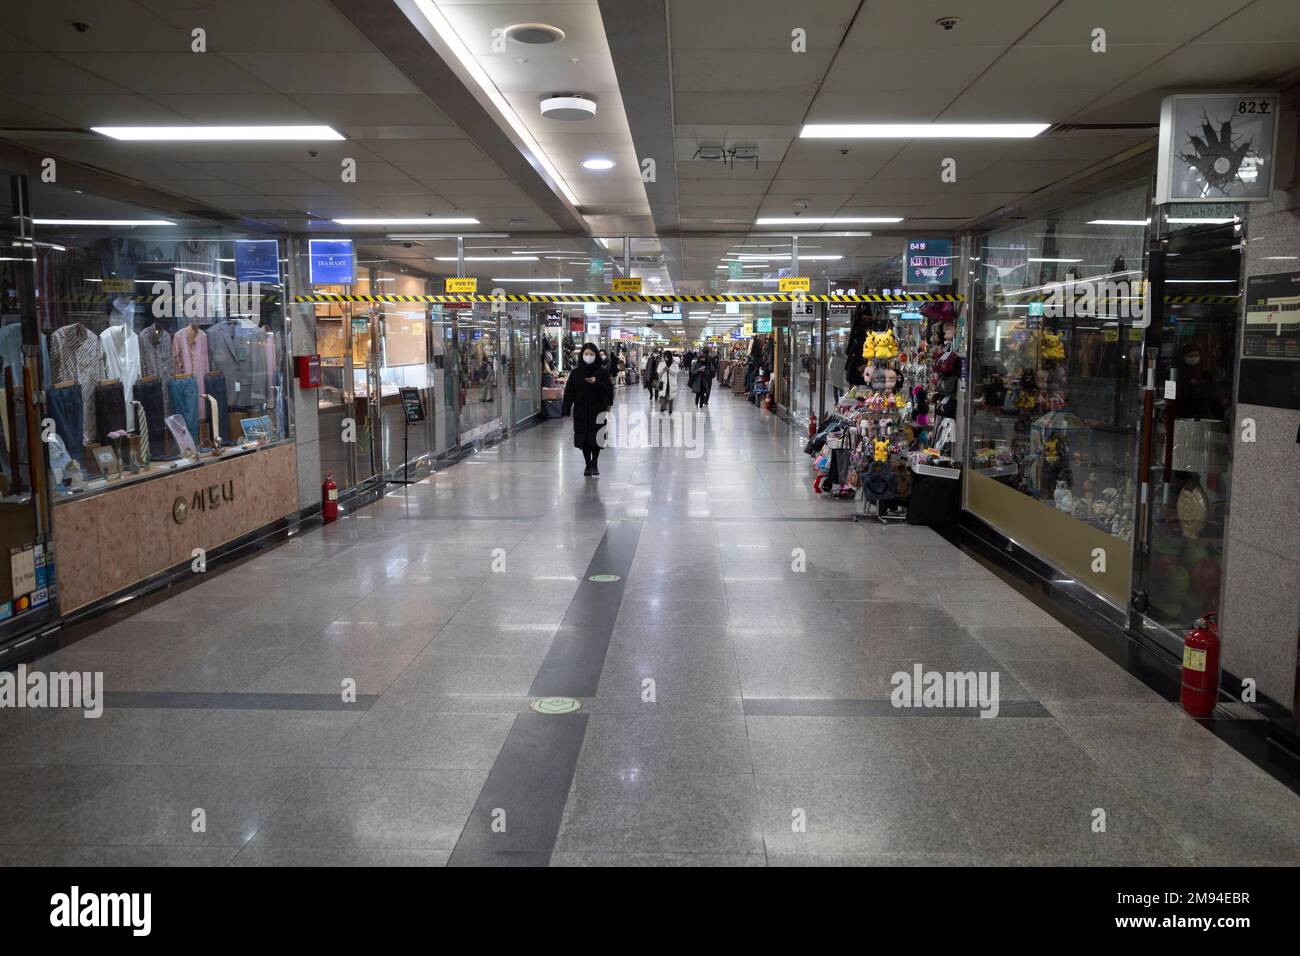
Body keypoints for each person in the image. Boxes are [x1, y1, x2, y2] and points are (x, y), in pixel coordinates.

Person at [563, 342, 614, 477]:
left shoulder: (602, 373)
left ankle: (595, 462)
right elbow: (569, 392)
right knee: (584, 439)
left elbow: (609, 391)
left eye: (591, 354)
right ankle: (587, 464)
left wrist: (596, 383)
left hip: (598, 411)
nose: (588, 356)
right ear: (582, 355)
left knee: (596, 438)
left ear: (596, 355)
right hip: (581, 411)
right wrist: (566, 409)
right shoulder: (575, 373)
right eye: (586, 354)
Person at [657, 350, 681, 414]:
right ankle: (662, 409)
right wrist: (663, 370)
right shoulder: (662, 362)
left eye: (666, 356)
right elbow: (658, 371)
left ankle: (670, 409)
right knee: (662, 395)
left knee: (671, 396)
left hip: (671, 382)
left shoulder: (674, 363)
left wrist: (669, 370)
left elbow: (676, 372)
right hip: (664, 382)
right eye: (664, 356)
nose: (665, 358)